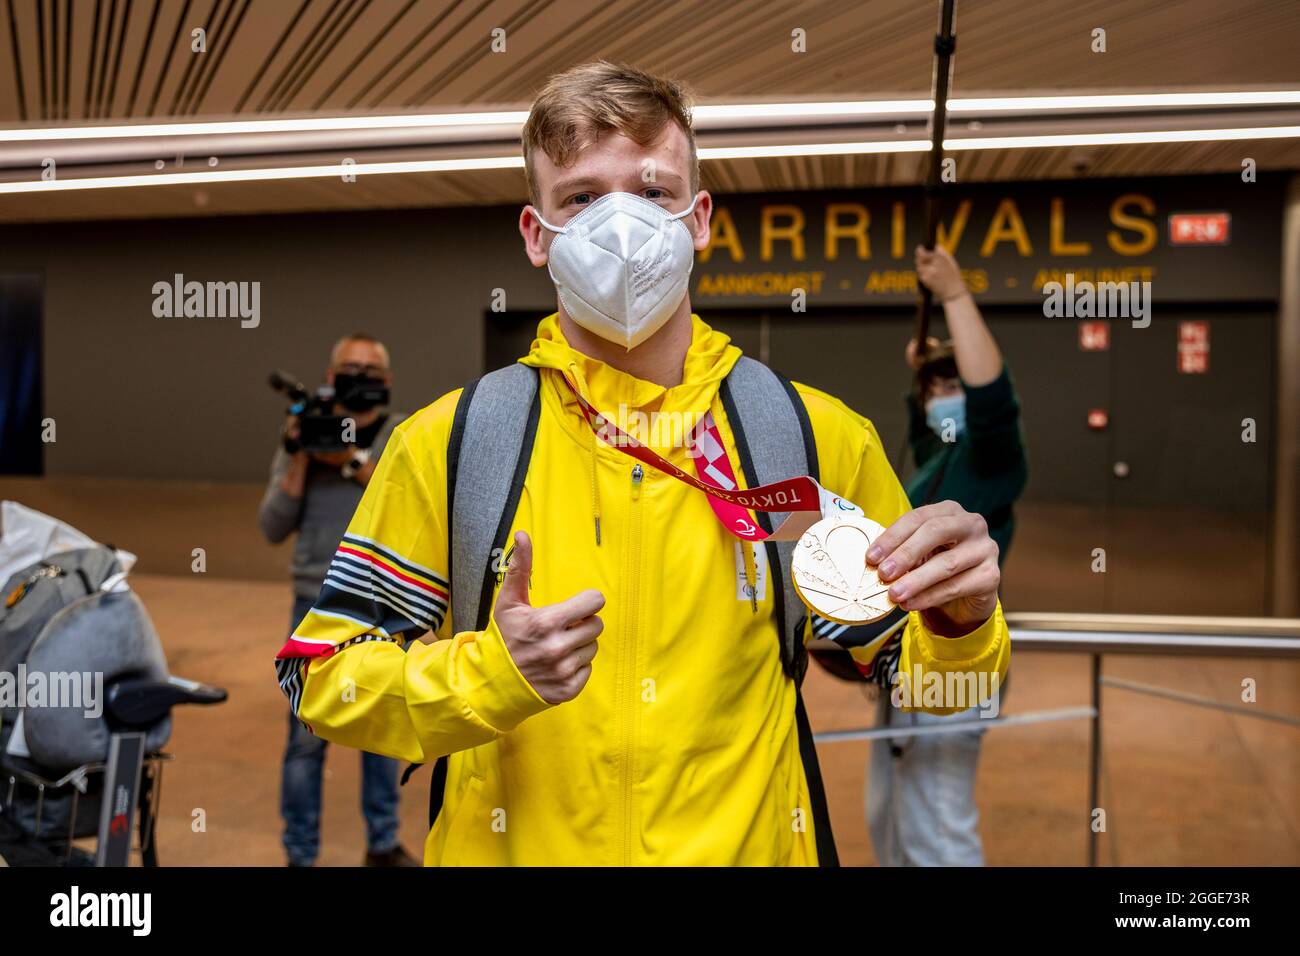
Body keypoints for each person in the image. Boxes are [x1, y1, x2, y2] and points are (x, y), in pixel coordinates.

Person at [273, 61, 1010, 866]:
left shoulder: (797, 442)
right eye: (583, 198)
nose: (620, 225)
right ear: (535, 234)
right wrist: (489, 674)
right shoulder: (455, 445)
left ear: (697, 221)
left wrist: (962, 624)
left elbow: (936, 686)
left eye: (652, 194)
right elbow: (318, 679)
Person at [864, 246, 1028, 866]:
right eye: (935, 389)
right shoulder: (939, 461)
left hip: (958, 656)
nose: (943, 397)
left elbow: (992, 406)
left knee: (937, 824)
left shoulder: (994, 459)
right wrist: (923, 371)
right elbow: (924, 421)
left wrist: (955, 297)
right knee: (891, 813)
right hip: (909, 654)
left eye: (953, 386)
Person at [258, 334, 417, 867]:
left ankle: (383, 843)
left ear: (388, 380)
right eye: (349, 367)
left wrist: (348, 459)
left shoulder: (401, 432)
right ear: (330, 373)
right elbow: (271, 526)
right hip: (313, 599)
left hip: (381, 601)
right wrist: (302, 457)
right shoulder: (306, 434)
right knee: (305, 740)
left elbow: (408, 499)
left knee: (382, 729)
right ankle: (299, 856)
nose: (359, 376)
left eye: (370, 369)